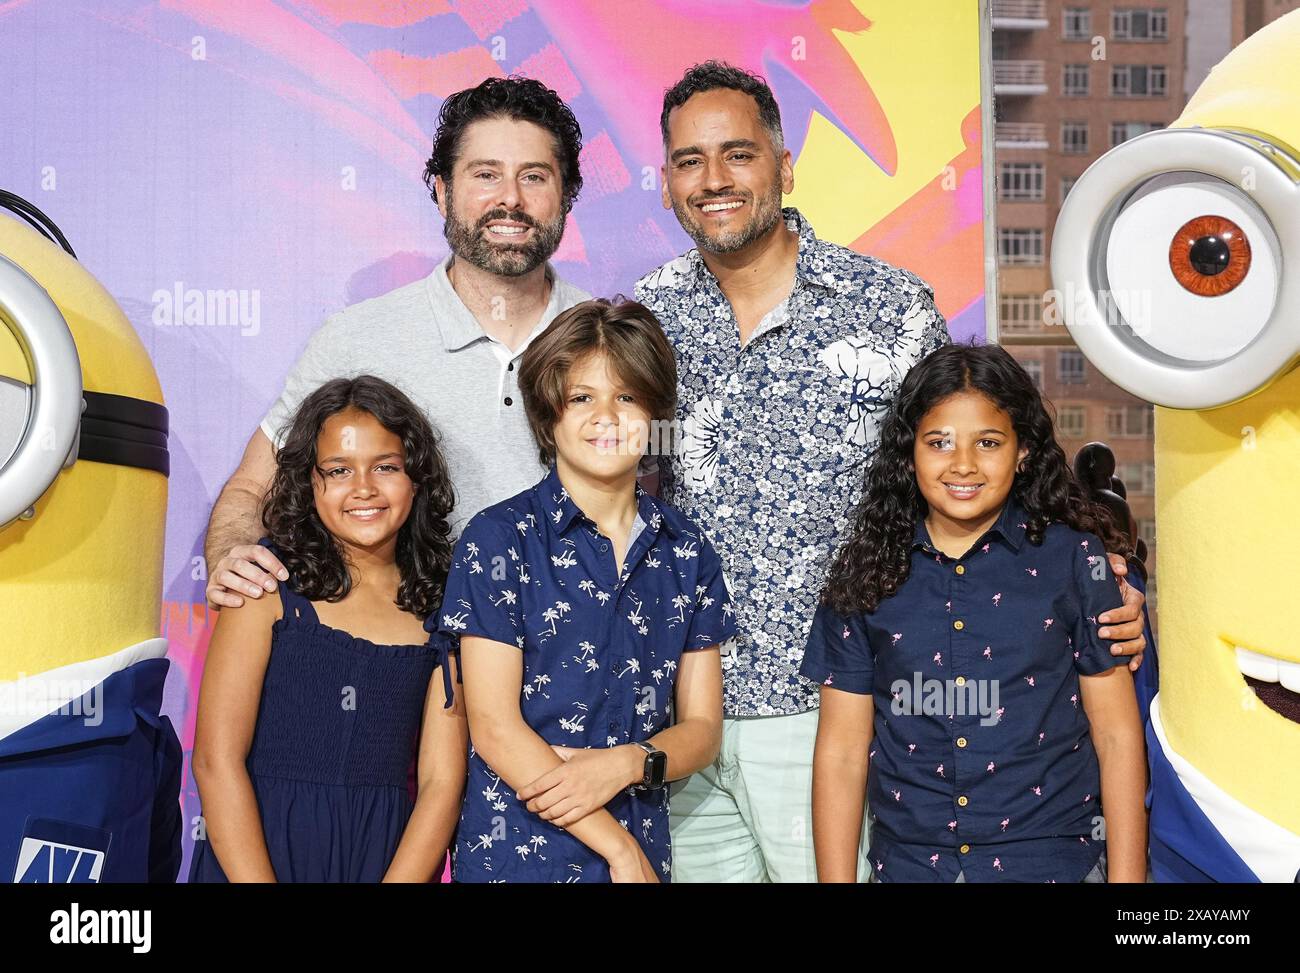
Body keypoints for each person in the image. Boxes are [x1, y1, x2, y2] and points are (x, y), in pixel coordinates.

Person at [634, 60, 1149, 883]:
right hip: (682, 711)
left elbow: (969, 445)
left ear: (784, 165)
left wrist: (1099, 567)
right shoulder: (643, 318)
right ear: (665, 183)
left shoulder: (889, 304)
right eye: (690, 161)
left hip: (835, 706)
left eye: (738, 153)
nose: (714, 179)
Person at [204, 76, 591, 611]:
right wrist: (232, 551)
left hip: (581, 666)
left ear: (566, 194)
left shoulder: (608, 339)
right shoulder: (356, 337)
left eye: (534, 176)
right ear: (441, 191)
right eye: (485, 175)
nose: (510, 198)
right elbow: (252, 486)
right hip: (408, 662)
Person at [802, 343, 1148, 883]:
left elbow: (1118, 739)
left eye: (988, 442)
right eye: (939, 442)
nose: (963, 464)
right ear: (909, 450)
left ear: (1024, 450)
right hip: (911, 866)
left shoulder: (1075, 561)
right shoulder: (865, 573)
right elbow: (843, 751)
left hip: (1050, 862)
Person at [435, 299, 733, 882]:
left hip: (642, 846)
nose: (606, 416)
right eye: (581, 398)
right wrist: (618, 849)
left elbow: (702, 730)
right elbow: (494, 725)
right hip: (520, 851)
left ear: (654, 414)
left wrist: (627, 764)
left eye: (626, 396)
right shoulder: (500, 540)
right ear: (548, 416)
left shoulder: (686, 549)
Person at [190, 376, 467, 882]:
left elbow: (441, 783)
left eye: (385, 467)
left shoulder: (443, 607)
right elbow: (215, 760)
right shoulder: (266, 584)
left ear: (417, 478)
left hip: (383, 858)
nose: (363, 488)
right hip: (256, 854)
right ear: (309, 483)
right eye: (339, 470)